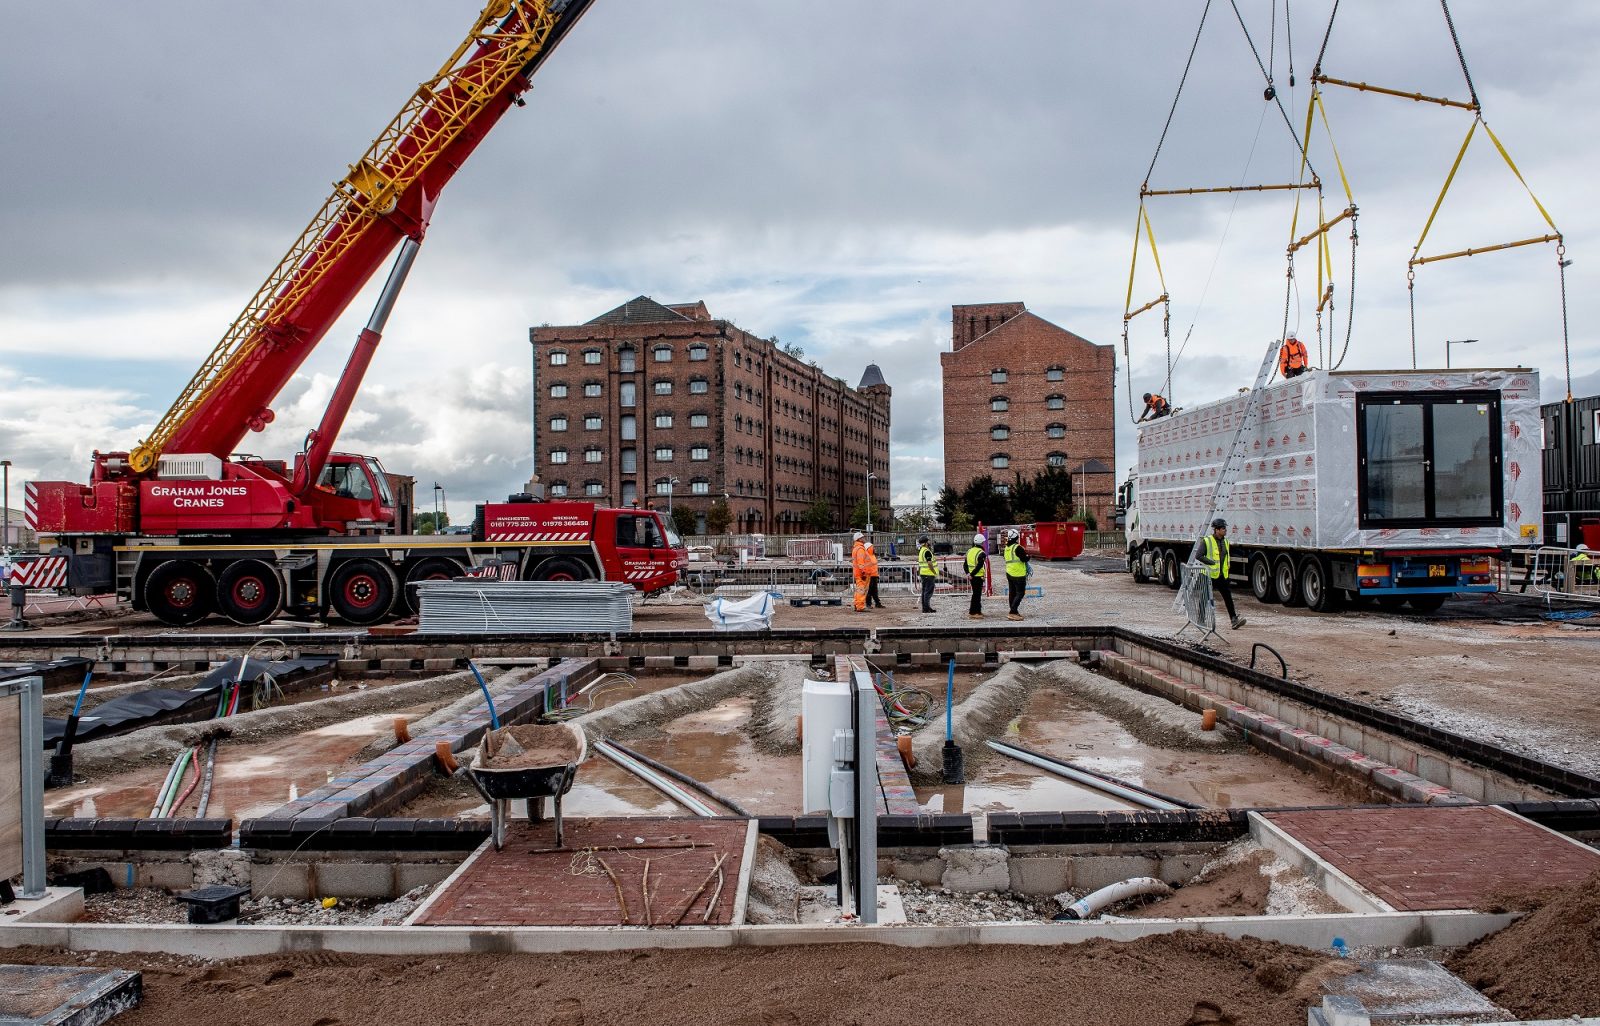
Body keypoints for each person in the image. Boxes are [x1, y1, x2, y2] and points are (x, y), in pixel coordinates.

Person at [1199, 517, 1246, 629]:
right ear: (1217, 530)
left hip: (1221, 576)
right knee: (1204, 598)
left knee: (1228, 597)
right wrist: (1211, 563)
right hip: (1208, 575)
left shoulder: (1225, 541)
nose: (1225, 530)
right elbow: (1199, 556)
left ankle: (1234, 620)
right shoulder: (1207, 541)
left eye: (1225, 528)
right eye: (1223, 528)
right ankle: (1200, 620)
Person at [1002, 528, 1030, 621]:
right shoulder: (1018, 547)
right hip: (1018, 574)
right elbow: (1024, 559)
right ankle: (1013, 612)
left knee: (1012, 593)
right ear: (1016, 537)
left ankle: (1014, 611)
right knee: (1020, 593)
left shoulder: (1007, 548)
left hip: (1009, 573)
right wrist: (1028, 557)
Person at [965, 532, 989, 619]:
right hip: (977, 576)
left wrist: (968, 574)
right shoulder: (981, 553)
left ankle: (977, 611)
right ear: (981, 543)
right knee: (977, 595)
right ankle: (974, 612)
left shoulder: (969, 551)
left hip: (972, 576)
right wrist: (972, 574)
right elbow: (979, 566)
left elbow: (965, 564)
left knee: (976, 594)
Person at [917, 535, 938, 613]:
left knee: (924, 592)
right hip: (929, 574)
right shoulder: (927, 551)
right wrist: (934, 572)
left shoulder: (921, 551)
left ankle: (925, 608)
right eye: (928, 541)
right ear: (925, 543)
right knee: (928, 592)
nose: (929, 542)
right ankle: (926, 608)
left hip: (924, 574)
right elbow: (929, 563)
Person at [850, 531, 868, 612]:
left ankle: (857, 605)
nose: (864, 538)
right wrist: (864, 573)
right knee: (861, 590)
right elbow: (861, 562)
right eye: (862, 537)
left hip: (857, 572)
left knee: (859, 590)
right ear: (859, 539)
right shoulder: (860, 549)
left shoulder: (856, 548)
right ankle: (860, 606)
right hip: (861, 573)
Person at [864, 541, 885, 609]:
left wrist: (877, 574)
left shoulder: (873, 556)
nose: (874, 548)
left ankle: (877, 603)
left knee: (875, 591)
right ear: (868, 548)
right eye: (872, 547)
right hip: (869, 576)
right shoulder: (867, 556)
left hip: (874, 575)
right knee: (869, 591)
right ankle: (868, 603)